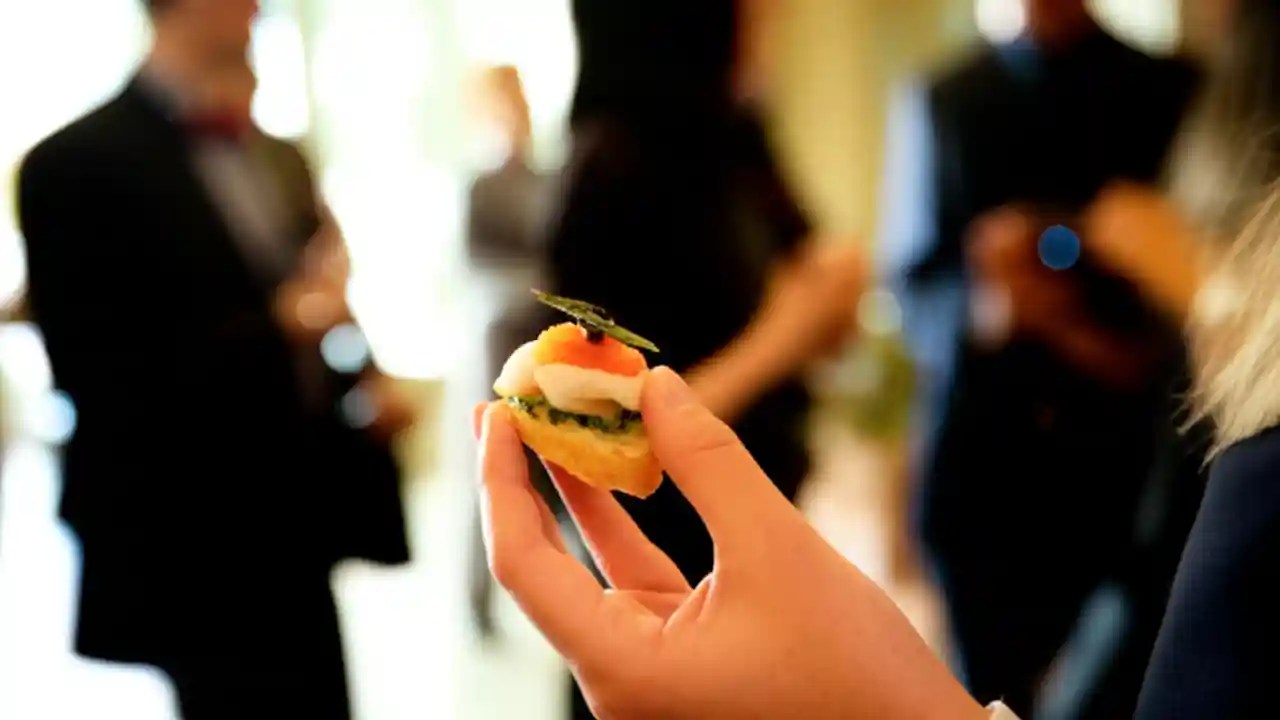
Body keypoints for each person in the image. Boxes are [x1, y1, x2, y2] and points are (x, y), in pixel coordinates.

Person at [17, 1, 410, 717]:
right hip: (187, 525)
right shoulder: (70, 165)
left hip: (295, 505)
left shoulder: (274, 151)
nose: (258, 7)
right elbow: (95, 366)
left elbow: (313, 288)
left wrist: (363, 373)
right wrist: (279, 325)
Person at [879, 0, 1198, 711]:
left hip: (1131, 468)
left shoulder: (1172, 90)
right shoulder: (946, 97)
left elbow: (1210, 281)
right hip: (987, 470)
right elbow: (910, 286)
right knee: (986, 695)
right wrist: (985, 309)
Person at [464, 64, 559, 639]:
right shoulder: (481, 186)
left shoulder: (550, 179)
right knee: (495, 465)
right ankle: (480, 600)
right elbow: (478, 267)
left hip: (546, 343)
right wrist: (539, 282)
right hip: (502, 341)